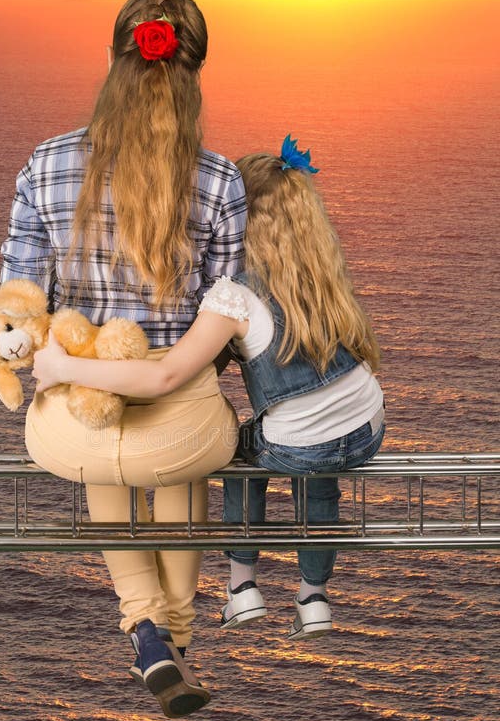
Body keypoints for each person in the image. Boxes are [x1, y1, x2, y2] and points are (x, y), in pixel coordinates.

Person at [33, 134, 386, 651]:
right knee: (319, 483)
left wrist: (64, 365)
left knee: (237, 458)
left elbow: (166, 377)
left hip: (296, 442)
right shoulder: (320, 274)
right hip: (364, 427)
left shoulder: (233, 297)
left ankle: (242, 585)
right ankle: (314, 599)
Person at [0, 0, 246, 719]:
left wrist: (59, 362)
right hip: (178, 430)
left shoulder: (45, 165)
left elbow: (15, 306)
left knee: (103, 428)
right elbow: (224, 325)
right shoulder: (222, 181)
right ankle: (174, 631)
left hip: (70, 432)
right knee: (181, 448)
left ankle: (143, 627)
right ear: (195, 74)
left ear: (114, 60)